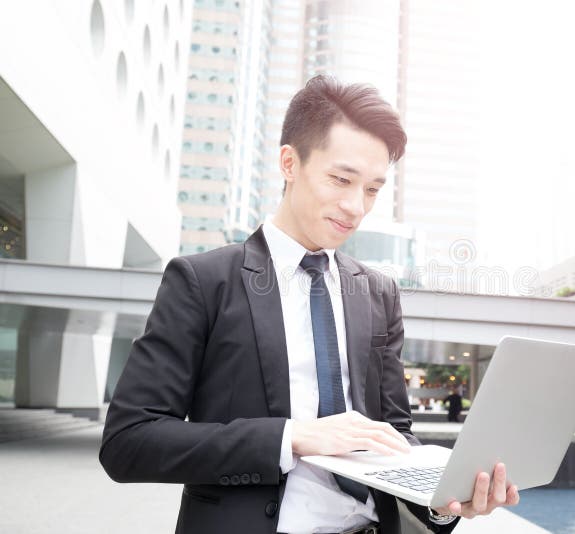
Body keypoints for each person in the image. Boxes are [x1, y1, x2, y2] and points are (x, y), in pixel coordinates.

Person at [99, 75, 519, 534]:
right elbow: (128, 441)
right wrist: (291, 437)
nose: (356, 206)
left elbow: (395, 437)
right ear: (289, 163)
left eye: (372, 189)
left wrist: (445, 501)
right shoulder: (203, 281)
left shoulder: (378, 292)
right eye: (341, 179)